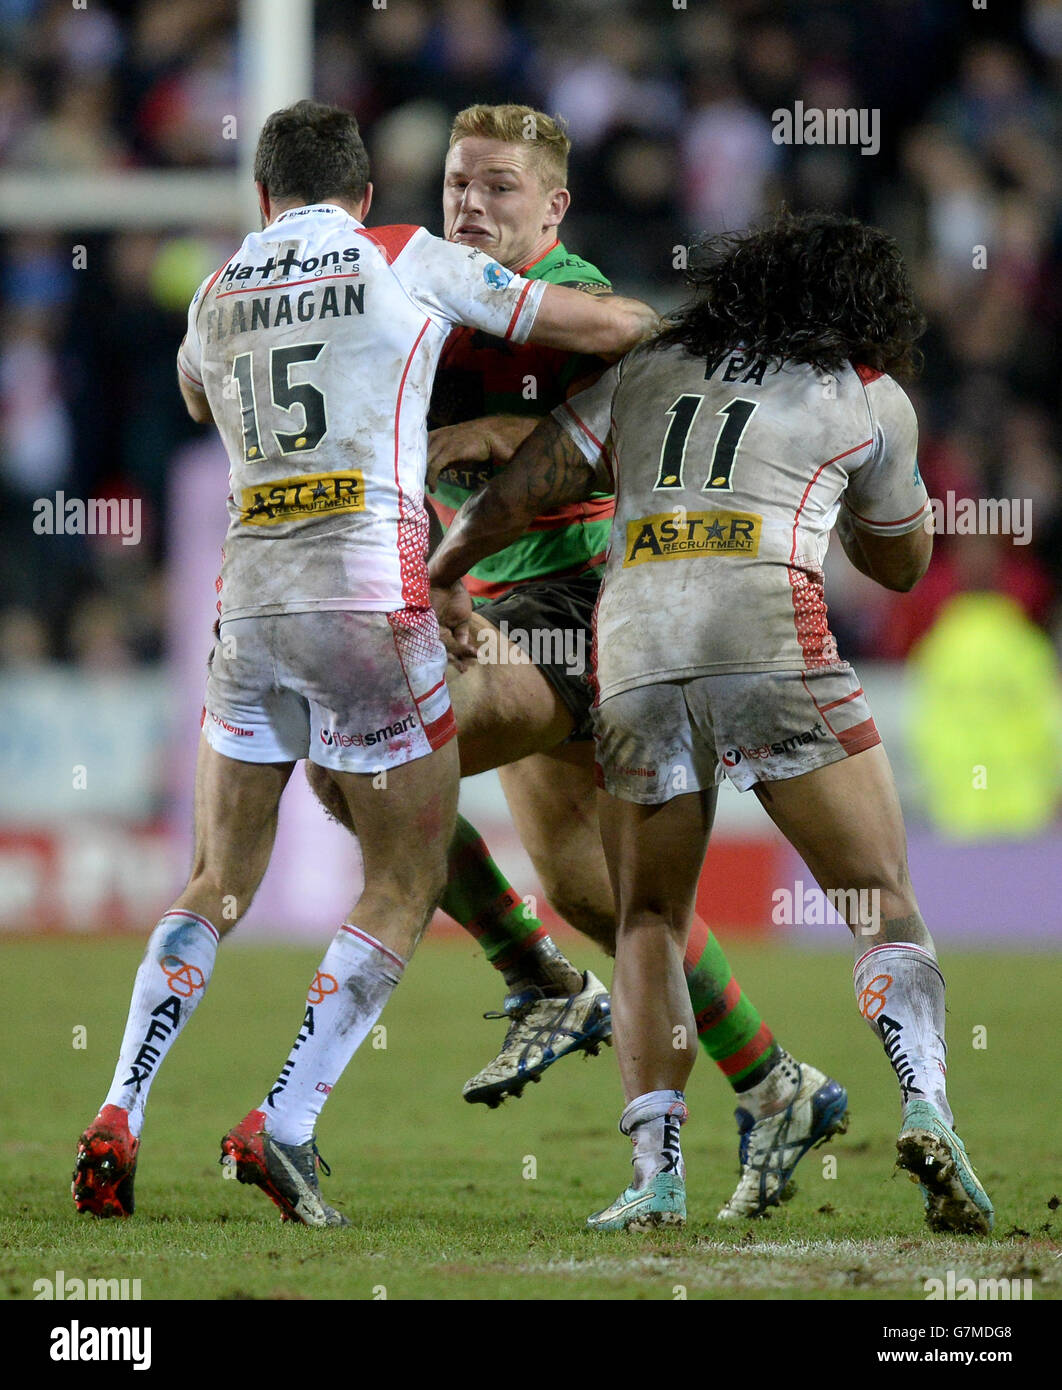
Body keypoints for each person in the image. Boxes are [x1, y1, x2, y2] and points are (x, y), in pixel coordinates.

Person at [71, 99, 658, 1226]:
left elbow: (199, 393)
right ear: (368, 196)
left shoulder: (217, 284)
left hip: (246, 606)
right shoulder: (408, 259)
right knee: (404, 874)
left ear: (260, 198)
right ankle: (283, 1122)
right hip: (374, 601)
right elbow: (599, 328)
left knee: (216, 878)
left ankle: (121, 1108)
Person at [307, 105, 848, 1221]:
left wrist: (479, 442)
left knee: (363, 752)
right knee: (600, 896)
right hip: (498, 606)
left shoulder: (572, 299)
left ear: (551, 208)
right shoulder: (431, 290)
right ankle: (778, 1083)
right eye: (460, 183)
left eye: (501, 187)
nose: (471, 205)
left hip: (588, 599)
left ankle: (538, 980)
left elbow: (613, 407)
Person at [427, 209, 995, 1236]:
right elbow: (902, 565)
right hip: (771, 638)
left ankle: (656, 1175)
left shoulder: (647, 370)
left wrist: (438, 576)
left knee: (645, 920)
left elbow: (517, 494)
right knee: (880, 902)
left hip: (637, 647)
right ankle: (927, 1107)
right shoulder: (867, 393)